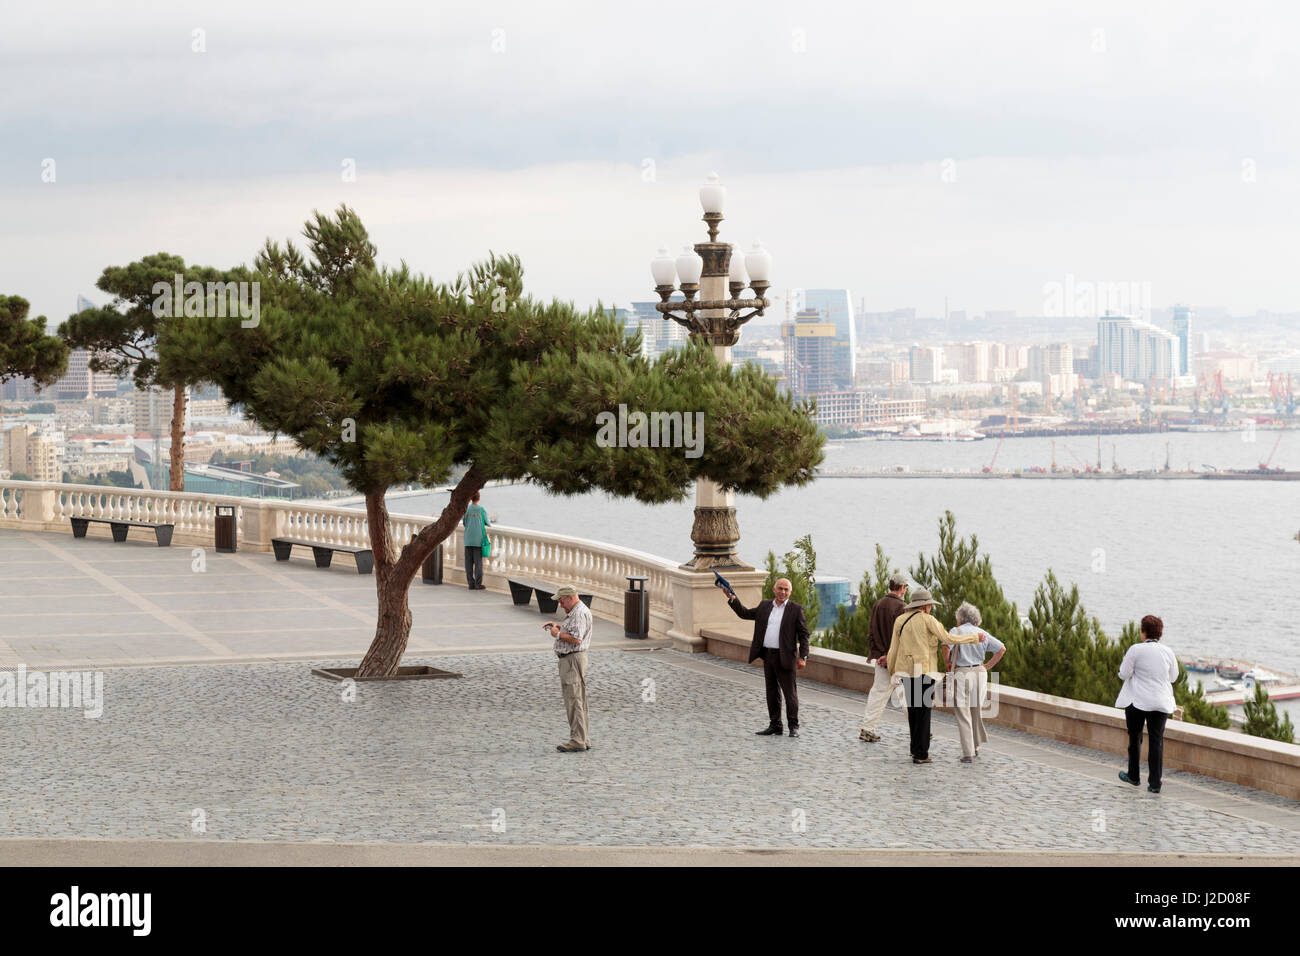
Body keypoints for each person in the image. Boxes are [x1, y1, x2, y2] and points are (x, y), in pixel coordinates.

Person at [886, 588, 985, 764]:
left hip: (907, 671)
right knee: (923, 713)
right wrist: (974, 638)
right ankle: (921, 754)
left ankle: (914, 749)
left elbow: (893, 649)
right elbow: (948, 638)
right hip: (924, 671)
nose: (930, 608)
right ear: (924, 606)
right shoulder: (928, 620)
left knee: (913, 711)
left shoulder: (900, 620)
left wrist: (892, 671)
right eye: (930, 605)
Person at [724, 578, 810, 737]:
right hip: (768, 655)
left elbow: (804, 635)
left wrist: (803, 656)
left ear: (790, 592)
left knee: (789, 694)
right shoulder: (764, 606)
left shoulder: (796, 609)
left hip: (786, 658)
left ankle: (793, 727)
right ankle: (775, 725)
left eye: (786, 590)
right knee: (772, 692)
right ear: (774, 589)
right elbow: (745, 613)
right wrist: (732, 599)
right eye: (780, 588)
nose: (782, 592)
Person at [1115, 614, 1178, 793]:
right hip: (1160, 702)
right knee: (1156, 741)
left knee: (1135, 738)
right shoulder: (1168, 652)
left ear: (1143, 632)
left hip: (1137, 701)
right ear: (1160, 633)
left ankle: (1134, 776)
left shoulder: (1136, 649)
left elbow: (1124, 673)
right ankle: (1155, 784)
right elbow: (1173, 677)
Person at [943, 601, 1006, 763]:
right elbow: (1001, 649)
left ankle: (968, 752)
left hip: (962, 672)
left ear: (960, 618)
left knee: (963, 713)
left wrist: (947, 663)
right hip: (979, 673)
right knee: (975, 710)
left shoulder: (956, 631)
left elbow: (945, 646)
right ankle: (976, 746)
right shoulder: (982, 632)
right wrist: (987, 666)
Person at [858, 572, 910, 743]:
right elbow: (903, 638)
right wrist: (891, 655)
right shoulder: (903, 608)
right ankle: (919, 729)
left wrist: (879, 654)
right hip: (898, 660)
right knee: (909, 696)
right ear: (902, 587)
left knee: (879, 694)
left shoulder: (878, 604)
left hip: (881, 659)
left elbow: (871, 632)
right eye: (906, 587)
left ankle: (868, 728)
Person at [544, 585, 593, 753]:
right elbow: (574, 632)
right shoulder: (578, 611)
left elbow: (576, 639)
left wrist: (557, 634)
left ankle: (578, 740)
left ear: (570, 598)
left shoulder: (578, 613)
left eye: (561, 601)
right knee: (578, 699)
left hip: (572, 660)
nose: (560, 604)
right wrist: (559, 627)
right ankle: (583, 738)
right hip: (575, 660)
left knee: (574, 700)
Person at [461, 491, 489, 590]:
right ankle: (478, 584)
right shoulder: (481, 510)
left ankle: (470, 584)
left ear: (471, 498)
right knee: (478, 563)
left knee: (468, 563)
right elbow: (488, 522)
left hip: (468, 539)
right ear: (479, 498)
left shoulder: (467, 509)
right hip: (478, 540)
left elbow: (464, 522)